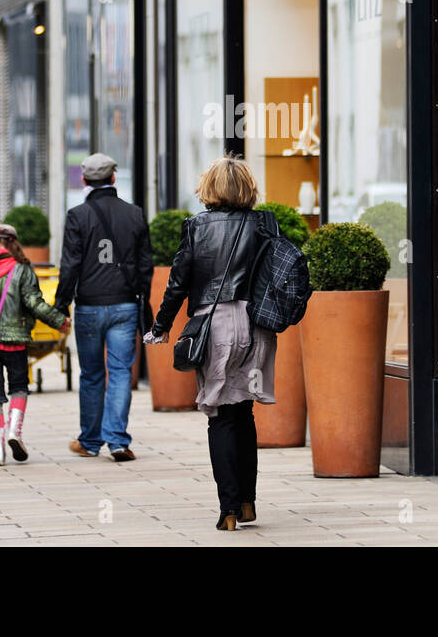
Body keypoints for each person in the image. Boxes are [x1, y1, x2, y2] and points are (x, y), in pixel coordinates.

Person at [153, 155, 280, 531]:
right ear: (247, 188)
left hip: (216, 325)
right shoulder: (265, 223)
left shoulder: (196, 227)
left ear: (208, 188)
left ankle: (227, 509)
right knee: (244, 412)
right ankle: (246, 502)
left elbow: (178, 281)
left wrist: (161, 325)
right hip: (257, 325)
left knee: (221, 416)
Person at [54, 153, 152, 462]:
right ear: (113, 179)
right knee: (121, 372)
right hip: (124, 305)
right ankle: (118, 441)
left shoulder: (77, 216)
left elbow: (69, 265)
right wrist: (141, 298)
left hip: (89, 307)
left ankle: (90, 441)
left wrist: (60, 305)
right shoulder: (135, 215)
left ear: (84, 181)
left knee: (92, 374)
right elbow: (145, 266)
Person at [0, 223, 70, 465]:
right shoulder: (23, 270)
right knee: (19, 386)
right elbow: (34, 303)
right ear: (12, 243)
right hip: (17, 341)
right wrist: (59, 321)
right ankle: (14, 431)